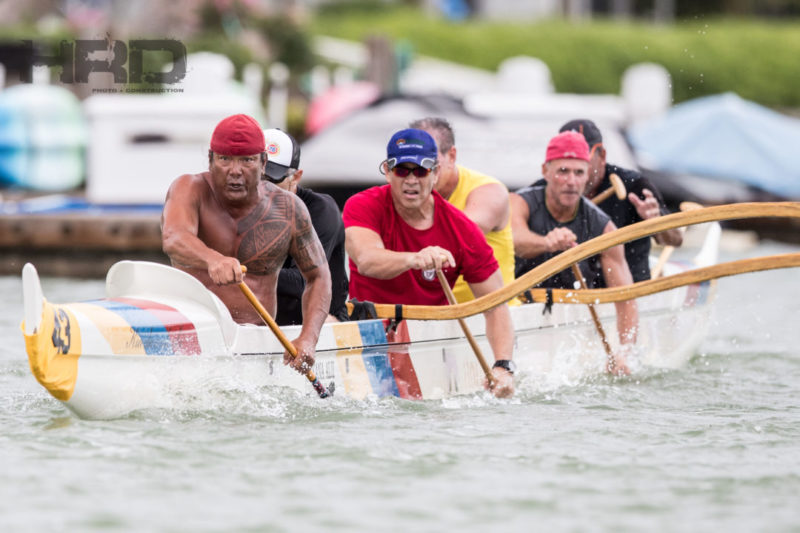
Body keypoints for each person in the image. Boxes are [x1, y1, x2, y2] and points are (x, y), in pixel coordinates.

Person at [342, 128, 516, 397]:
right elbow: (366, 260)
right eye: (402, 170)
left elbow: (495, 305)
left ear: (435, 174)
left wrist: (503, 366)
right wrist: (414, 259)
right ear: (387, 172)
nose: (411, 180)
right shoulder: (362, 205)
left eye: (421, 171)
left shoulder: (461, 229)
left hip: (429, 345)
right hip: (368, 335)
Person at [161, 114, 331, 374]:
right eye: (224, 159)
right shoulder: (189, 188)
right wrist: (213, 260)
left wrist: (308, 339)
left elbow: (319, 277)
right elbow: (174, 237)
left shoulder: (289, 208)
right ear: (210, 160)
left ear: (263, 163)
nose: (235, 170)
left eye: (247, 160)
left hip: (256, 346)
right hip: (195, 338)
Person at [510, 131, 638, 374]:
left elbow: (626, 296)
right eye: (563, 171)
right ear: (545, 171)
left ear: (588, 174)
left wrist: (625, 351)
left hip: (573, 313)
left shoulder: (604, 228)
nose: (571, 181)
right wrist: (546, 243)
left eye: (579, 173)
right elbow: (515, 240)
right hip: (520, 306)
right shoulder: (519, 202)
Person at [557, 119, 683, 282]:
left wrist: (656, 221)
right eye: (566, 162)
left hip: (631, 287)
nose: (573, 173)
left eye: (582, 159)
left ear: (602, 156)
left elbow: (676, 239)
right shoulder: (547, 190)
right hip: (571, 290)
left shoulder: (634, 185)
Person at [409, 117, 515, 303]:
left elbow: (461, 234)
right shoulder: (402, 193)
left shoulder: (490, 192)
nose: (420, 172)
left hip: (489, 311)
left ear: (451, 156)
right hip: (430, 313)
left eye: (429, 161)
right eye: (411, 163)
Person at [261, 128, 349, 326]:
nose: (262, 188)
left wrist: (241, 268)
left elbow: (303, 282)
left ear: (296, 177)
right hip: (258, 324)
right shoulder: (235, 206)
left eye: (272, 180)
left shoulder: (320, 210)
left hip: (321, 323)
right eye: (257, 177)